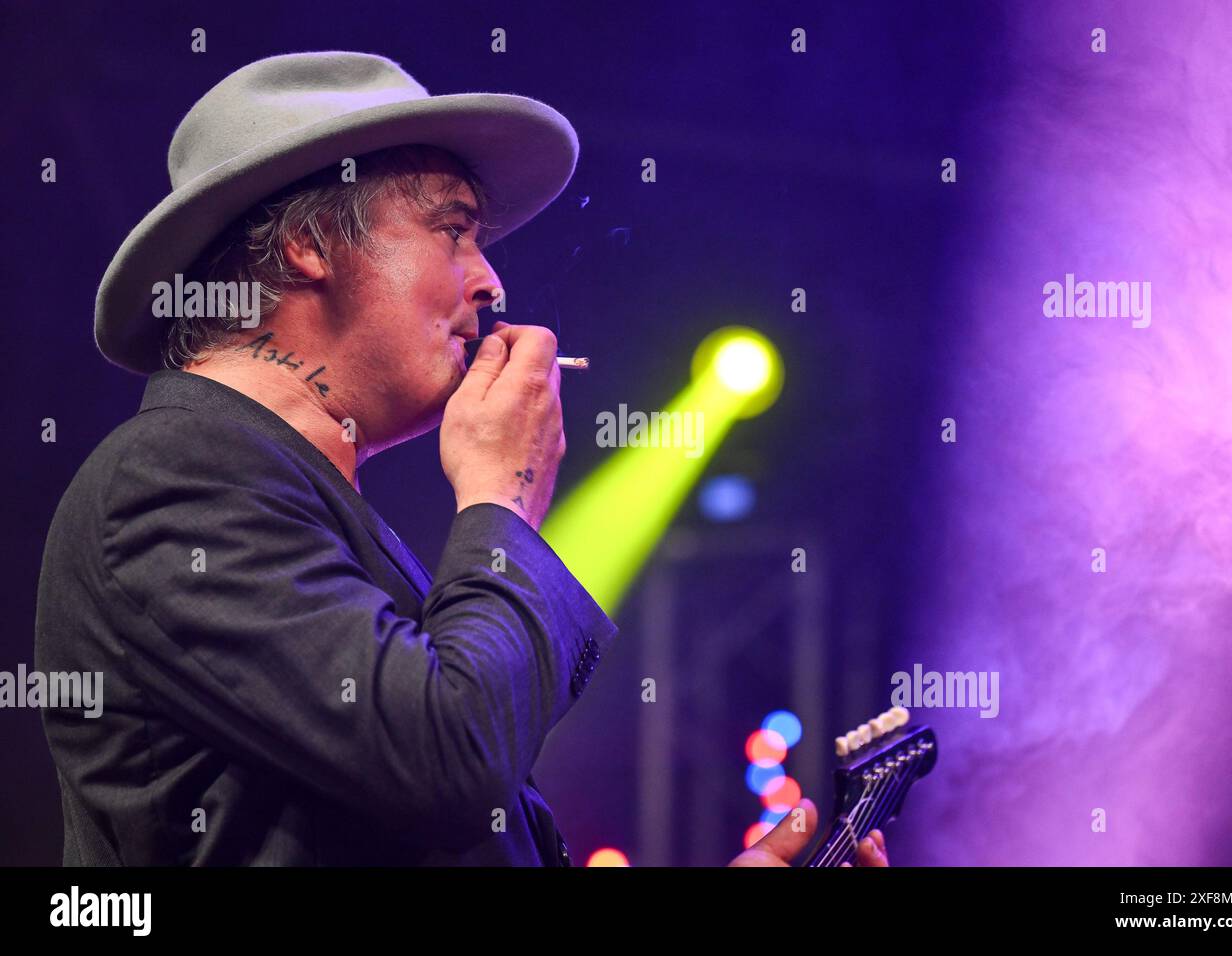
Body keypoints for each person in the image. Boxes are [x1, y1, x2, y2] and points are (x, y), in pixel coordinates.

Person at [34, 50, 887, 868]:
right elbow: (447, 755)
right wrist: (501, 499)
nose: (490, 283)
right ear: (312, 245)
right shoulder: (177, 474)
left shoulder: (298, 505)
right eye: (454, 230)